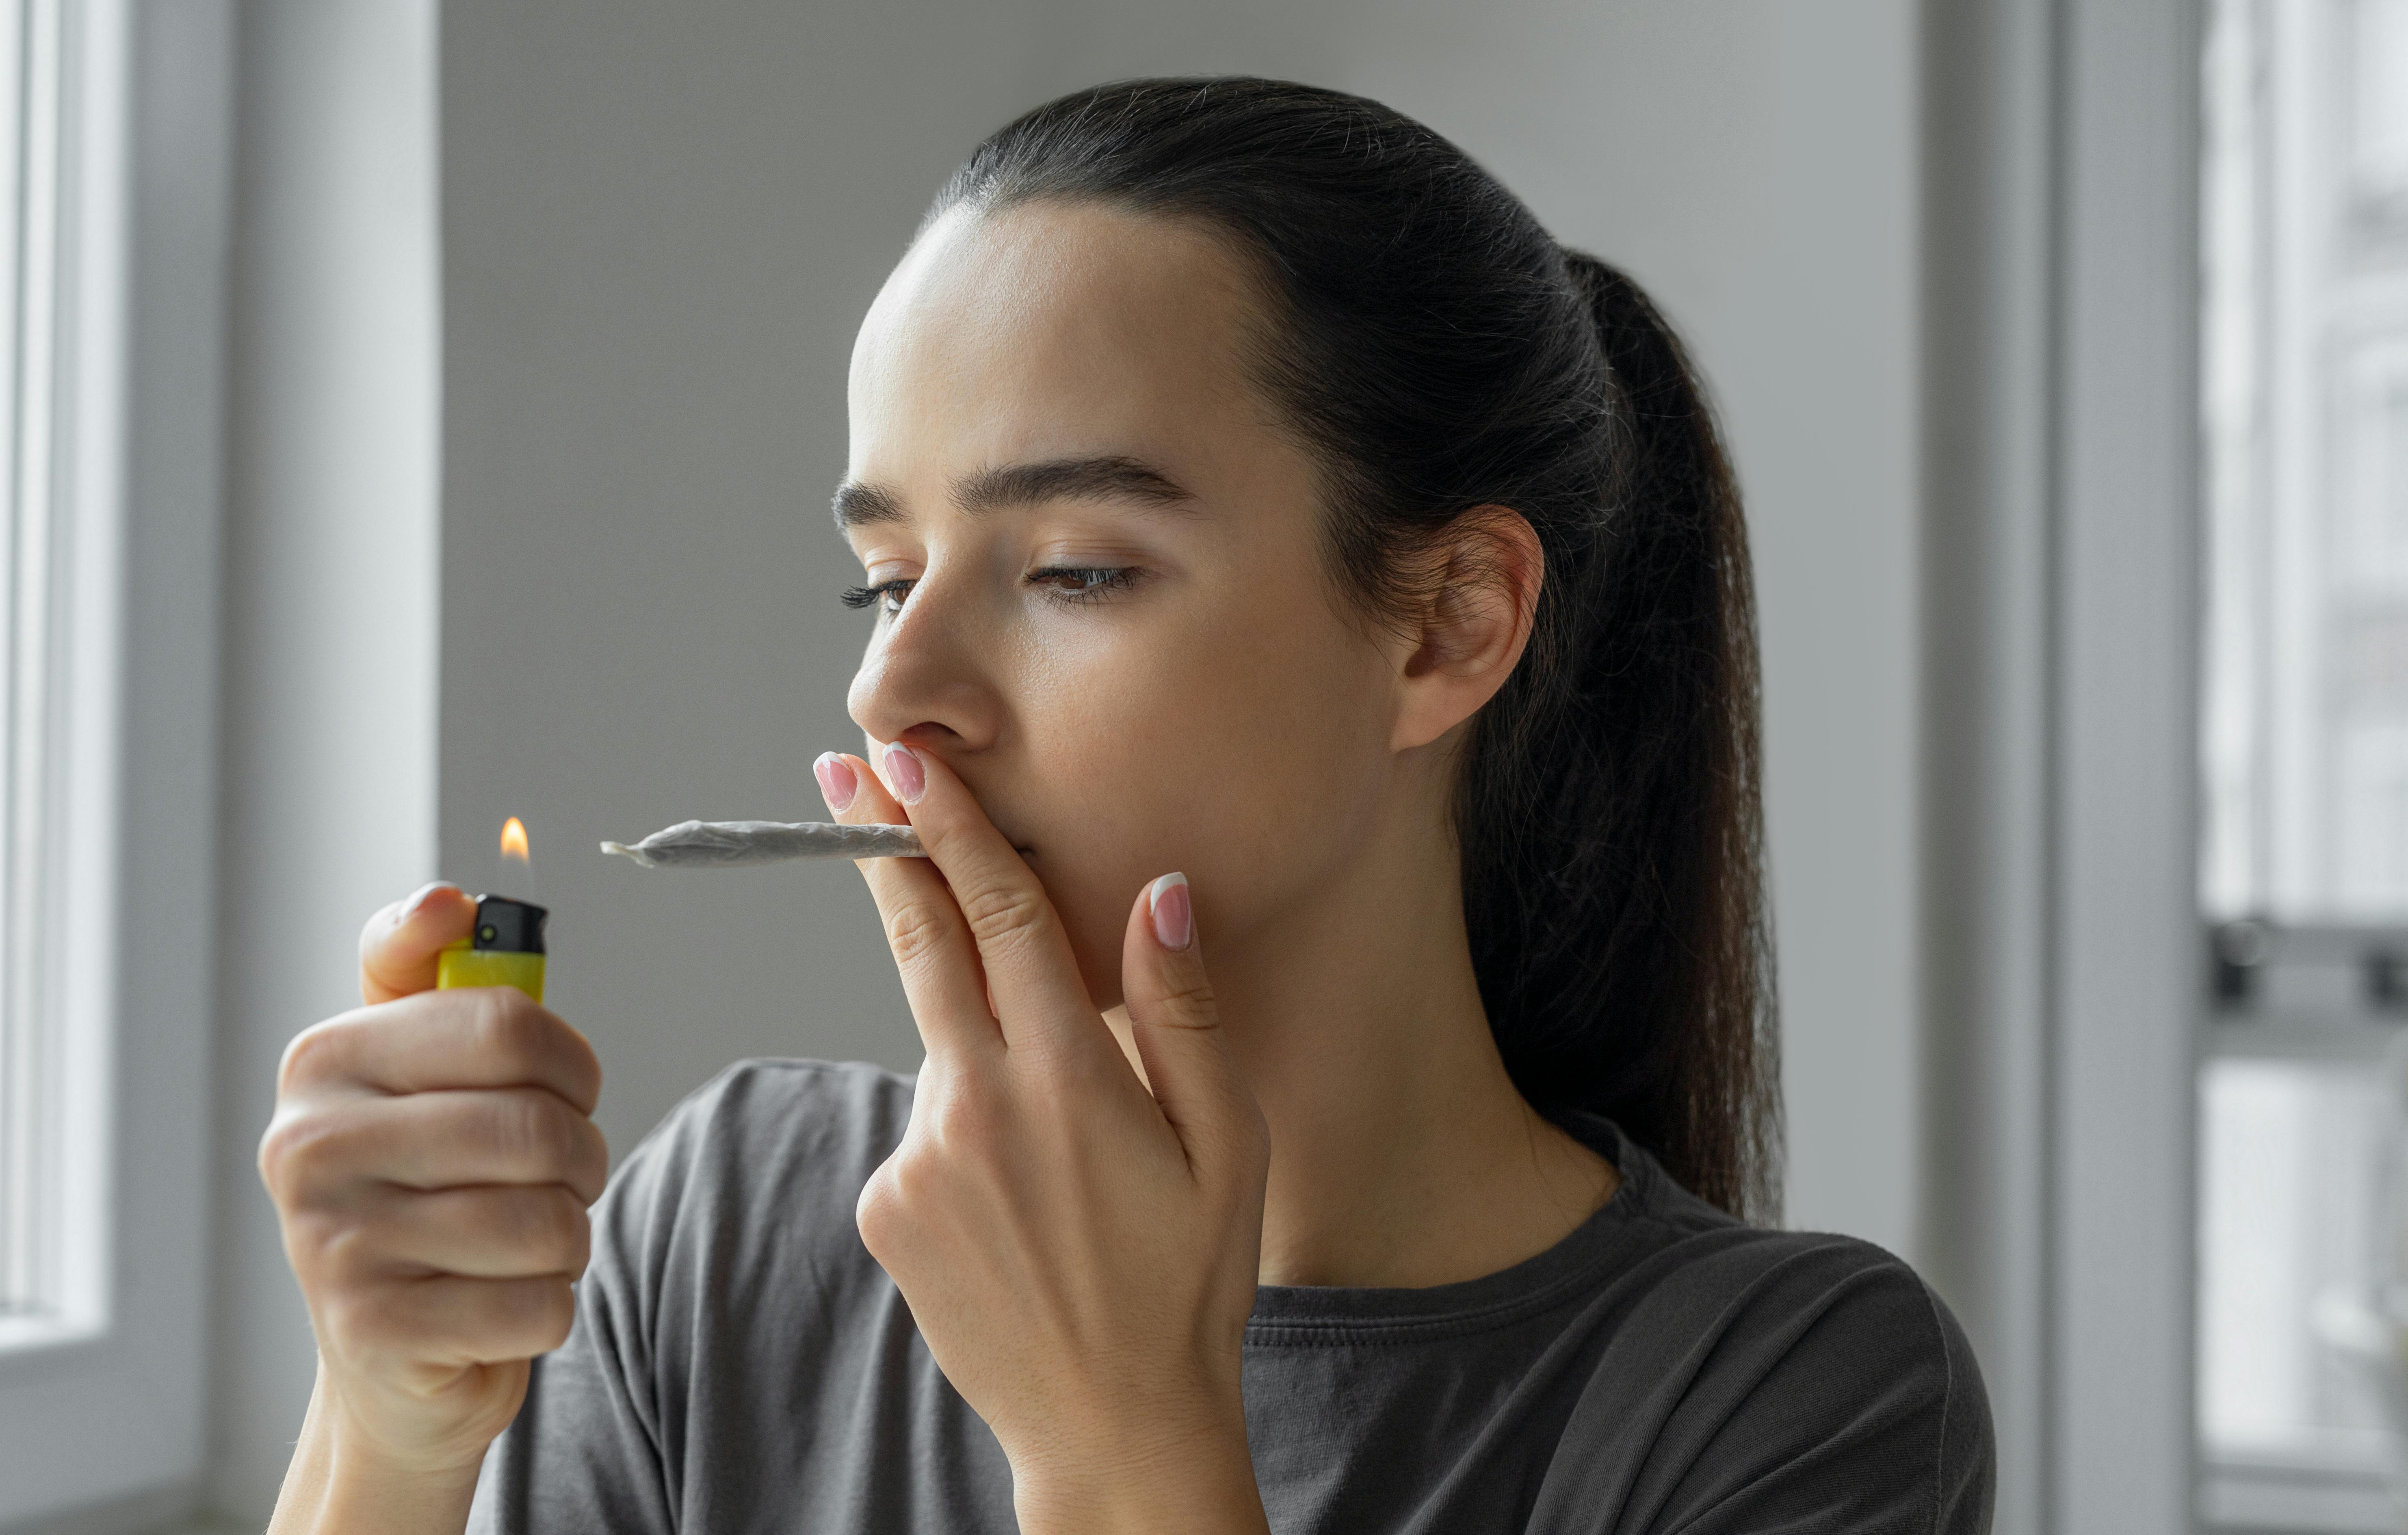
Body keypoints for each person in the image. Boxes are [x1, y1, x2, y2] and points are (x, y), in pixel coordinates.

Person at [258, 78, 1994, 1535]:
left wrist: (1118, 1444)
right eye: (883, 580)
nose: (891, 692)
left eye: (1077, 569)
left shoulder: (1791, 1399)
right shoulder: (729, 1238)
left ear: (1453, 623)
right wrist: (386, 1439)